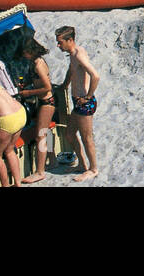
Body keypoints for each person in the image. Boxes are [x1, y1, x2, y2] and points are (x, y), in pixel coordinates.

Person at [55, 26, 100, 182]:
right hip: (78, 102)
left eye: (60, 42)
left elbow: (96, 76)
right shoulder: (73, 54)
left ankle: (93, 169)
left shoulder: (79, 55)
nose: (58, 46)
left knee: (87, 138)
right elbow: (71, 70)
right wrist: (64, 85)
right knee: (69, 133)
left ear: (70, 40)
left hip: (84, 103)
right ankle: (82, 164)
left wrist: (88, 97)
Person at [16, 39, 56, 184]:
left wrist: (28, 93)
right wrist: (26, 84)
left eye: (25, 53)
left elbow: (47, 87)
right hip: (45, 101)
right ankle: (52, 159)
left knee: (40, 136)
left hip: (47, 102)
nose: (24, 55)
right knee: (47, 131)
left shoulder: (38, 65)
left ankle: (40, 172)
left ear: (31, 51)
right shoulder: (36, 62)